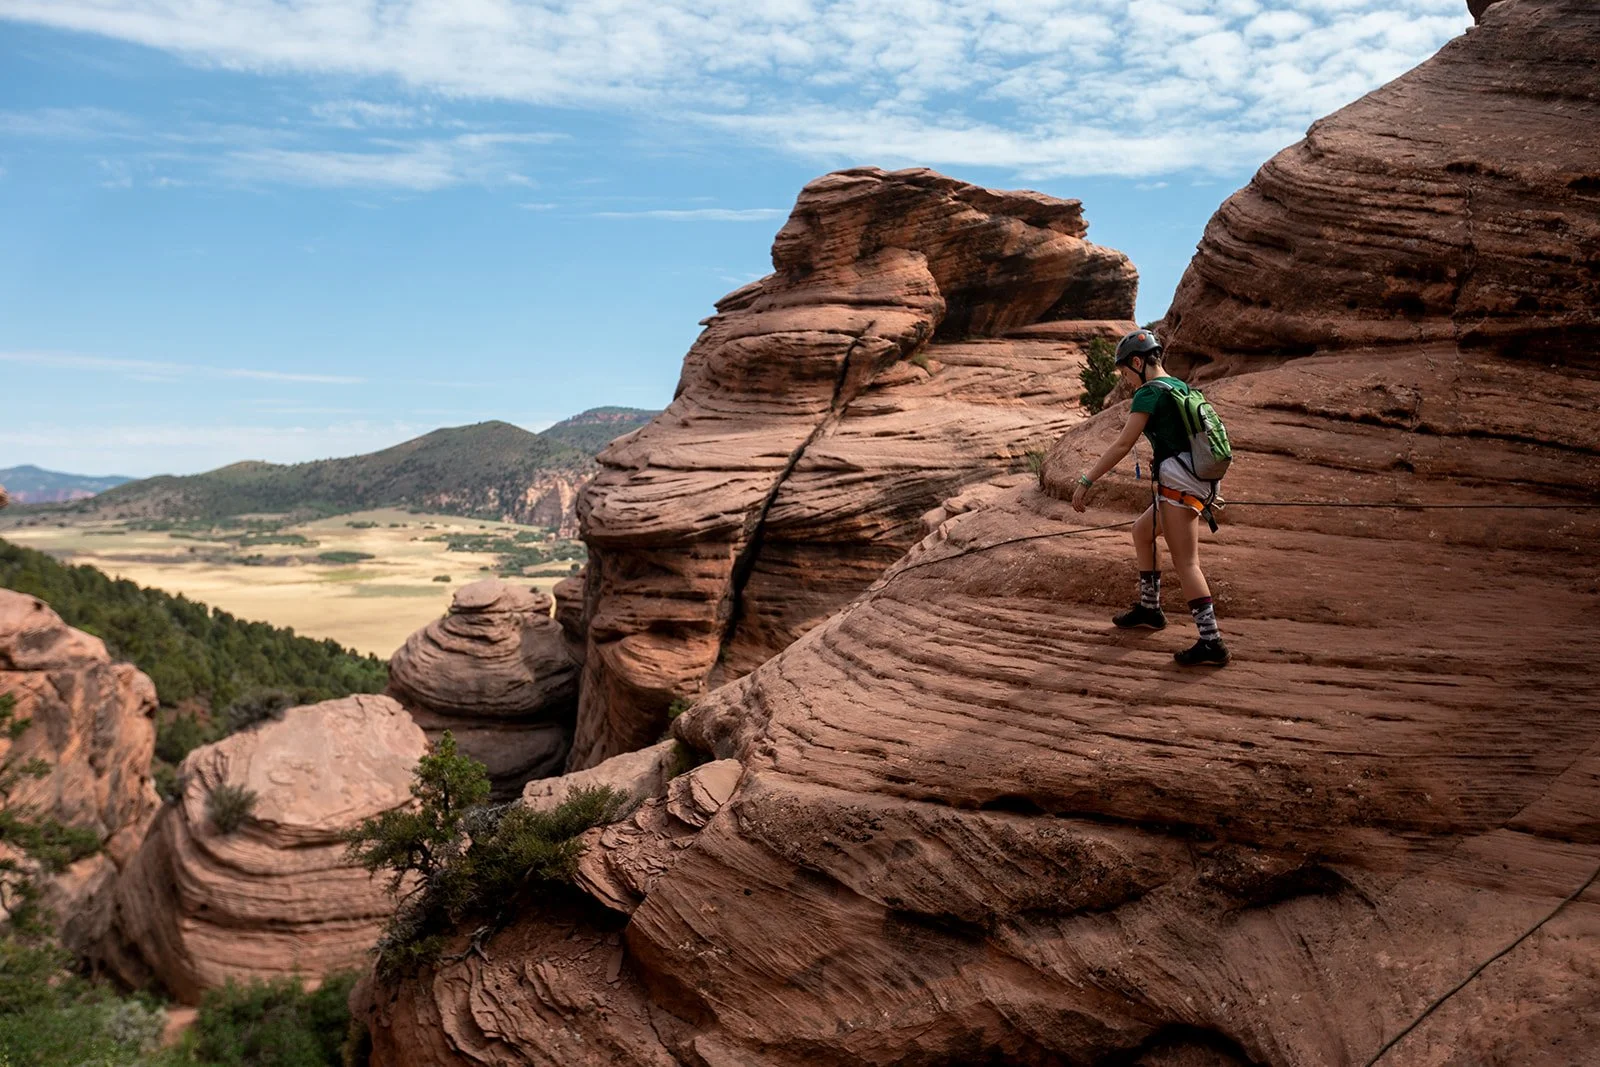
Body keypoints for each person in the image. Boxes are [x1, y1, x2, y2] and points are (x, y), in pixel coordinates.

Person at [1071, 329, 1229, 667]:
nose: (1126, 380)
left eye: (1125, 372)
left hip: (1179, 486)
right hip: (1194, 479)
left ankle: (1211, 641)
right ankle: (1150, 609)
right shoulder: (1181, 387)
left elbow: (1122, 444)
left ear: (1138, 362)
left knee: (1187, 563)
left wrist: (1087, 480)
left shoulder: (1149, 392)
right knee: (1142, 532)